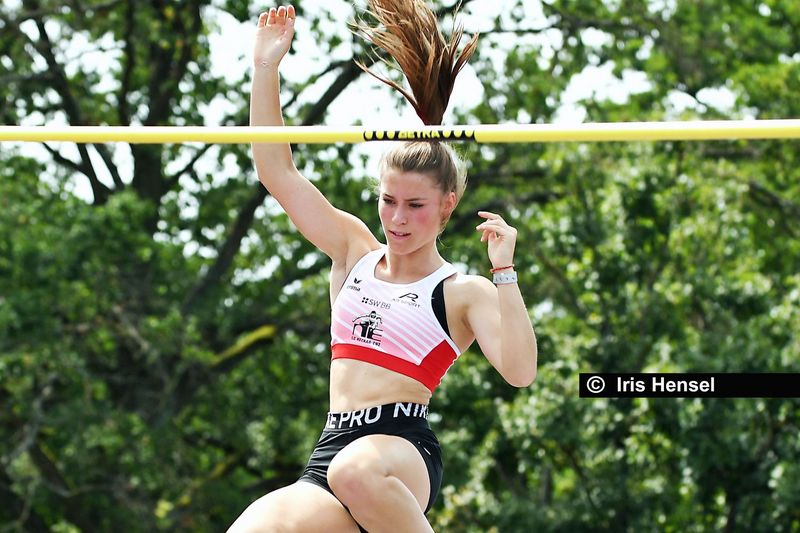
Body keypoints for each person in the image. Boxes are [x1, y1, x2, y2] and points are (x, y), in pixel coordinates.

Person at [228, 3, 537, 532]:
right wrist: (266, 68)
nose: (397, 219)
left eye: (415, 206)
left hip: (399, 452)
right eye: (388, 201)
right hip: (331, 452)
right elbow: (276, 172)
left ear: (448, 203)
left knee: (358, 471)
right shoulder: (353, 251)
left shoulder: (461, 291)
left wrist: (504, 272)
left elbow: (521, 371)